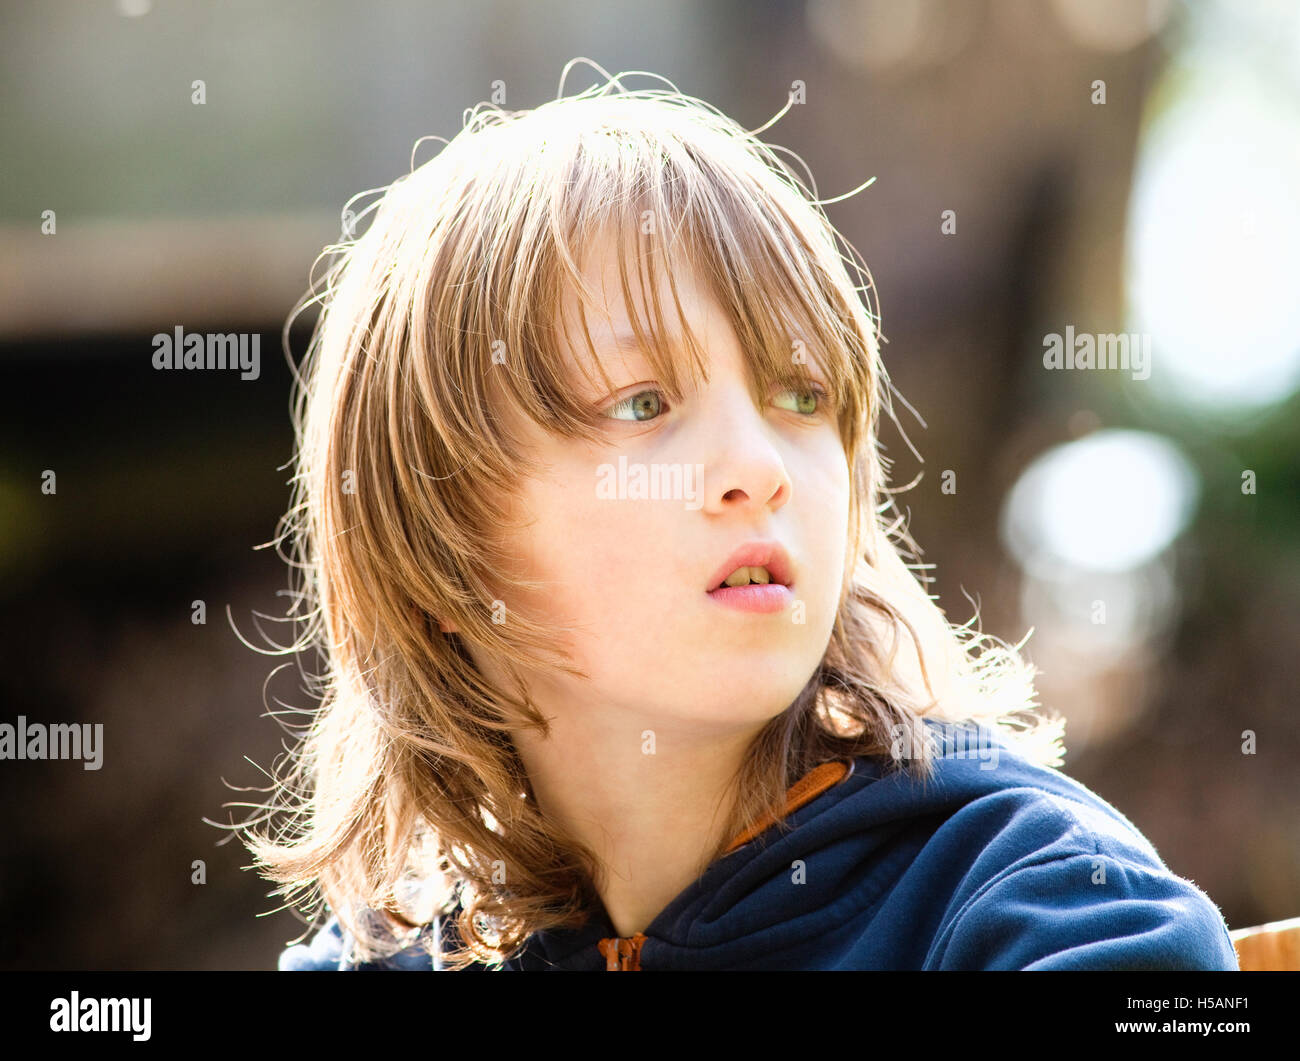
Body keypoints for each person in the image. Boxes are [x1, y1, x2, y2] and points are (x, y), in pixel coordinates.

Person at [246, 62, 1238, 971]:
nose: (759, 469)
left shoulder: (1049, 910)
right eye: (643, 403)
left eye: (801, 396)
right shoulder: (390, 956)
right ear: (442, 547)